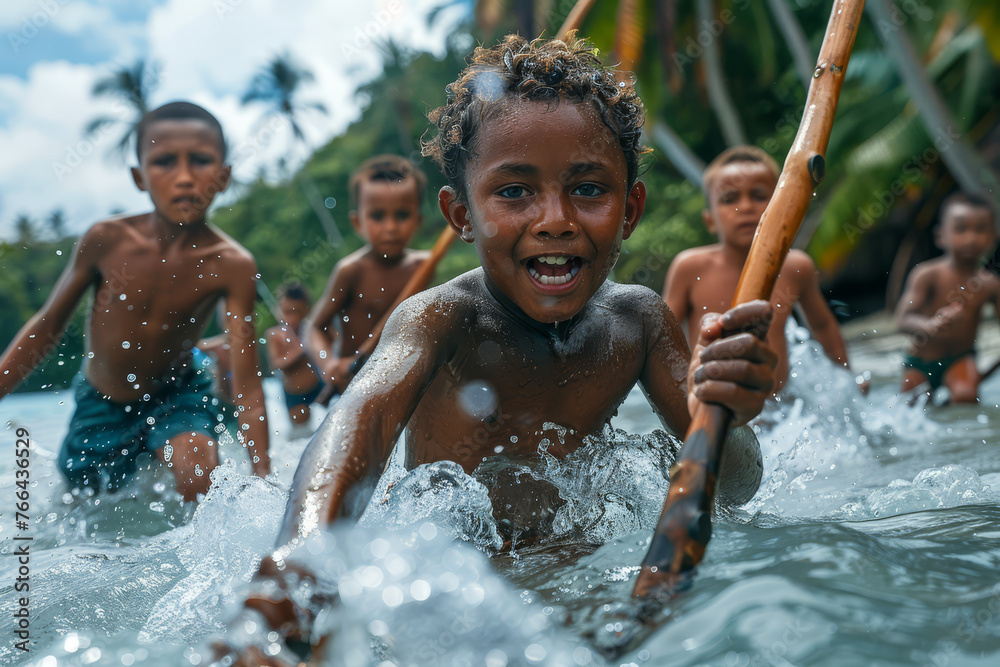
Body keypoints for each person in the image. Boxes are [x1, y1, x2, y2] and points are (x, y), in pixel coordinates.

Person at [218, 35, 777, 663]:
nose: (556, 219)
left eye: (589, 189)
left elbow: (734, 488)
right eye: (514, 192)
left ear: (631, 209)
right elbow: (358, 424)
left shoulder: (639, 322)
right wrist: (299, 565)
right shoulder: (441, 320)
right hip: (446, 599)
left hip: (587, 581)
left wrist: (731, 412)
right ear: (460, 215)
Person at [0, 101, 270, 502]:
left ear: (224, 176)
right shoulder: (106, 241)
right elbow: (48, 325)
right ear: (139, 177)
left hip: (179, 390)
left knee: (198, 469)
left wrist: (264, 477)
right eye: (164, 162)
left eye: (200, 160)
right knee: (85, 501)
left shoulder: (232, 264)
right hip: (101, 398)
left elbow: (247, 382)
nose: (183, 177)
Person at [663, 145, 863, 394]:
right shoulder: (690, 267)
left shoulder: (794, 266)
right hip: (715, 399)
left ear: (781, 207)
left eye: (759, 196)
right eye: (730, 199)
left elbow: (823, 327)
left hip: (782, 411)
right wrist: (683, 394)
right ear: (710, 220)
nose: (745, 207)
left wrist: (846, 378)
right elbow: (664, 341)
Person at [306, 155, 430, 396]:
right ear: (357, 223)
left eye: (402, 215)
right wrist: (328, 363)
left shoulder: (424, 267)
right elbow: (314, 327)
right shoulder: (351, 271)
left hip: (404, 382)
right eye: (377, 216)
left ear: (418, 221)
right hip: (355, 385)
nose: (391, 227)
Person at [895, 192, 999, 402]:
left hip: (960, 359)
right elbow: (903, 319)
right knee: (912, 405)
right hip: (920, 362)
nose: (971, 237)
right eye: (961, 229)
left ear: (992, 236)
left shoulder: (990, 284)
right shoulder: (927, 274)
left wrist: (985, 373)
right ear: (941, 236)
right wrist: (930, 324)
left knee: (966, 396)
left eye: (980, 229)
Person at [265, 282, 324, 424]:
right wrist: (297, 352)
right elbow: (276, 364)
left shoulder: (311, 330)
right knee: (300, 432)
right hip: (294, 394)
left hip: (318, 387)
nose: (291, 318)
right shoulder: (275, 335)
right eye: (286, 312)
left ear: (305, 310)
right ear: (279, 310)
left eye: (296, 312)